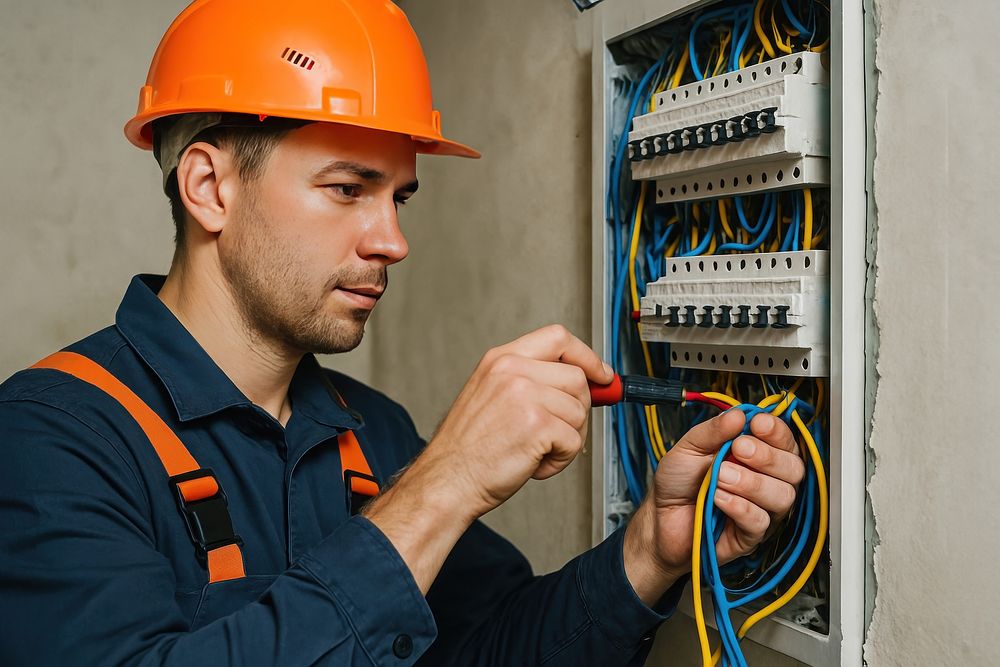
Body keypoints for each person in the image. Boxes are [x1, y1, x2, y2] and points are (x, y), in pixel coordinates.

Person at [0, 1, 805, 664]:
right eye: (347, 189)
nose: (392, 240)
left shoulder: (369, 432)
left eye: (399, 198)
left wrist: (648, 552)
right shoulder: (51, 437)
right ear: (210, 186)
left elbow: (488, 649)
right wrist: (446, 481)